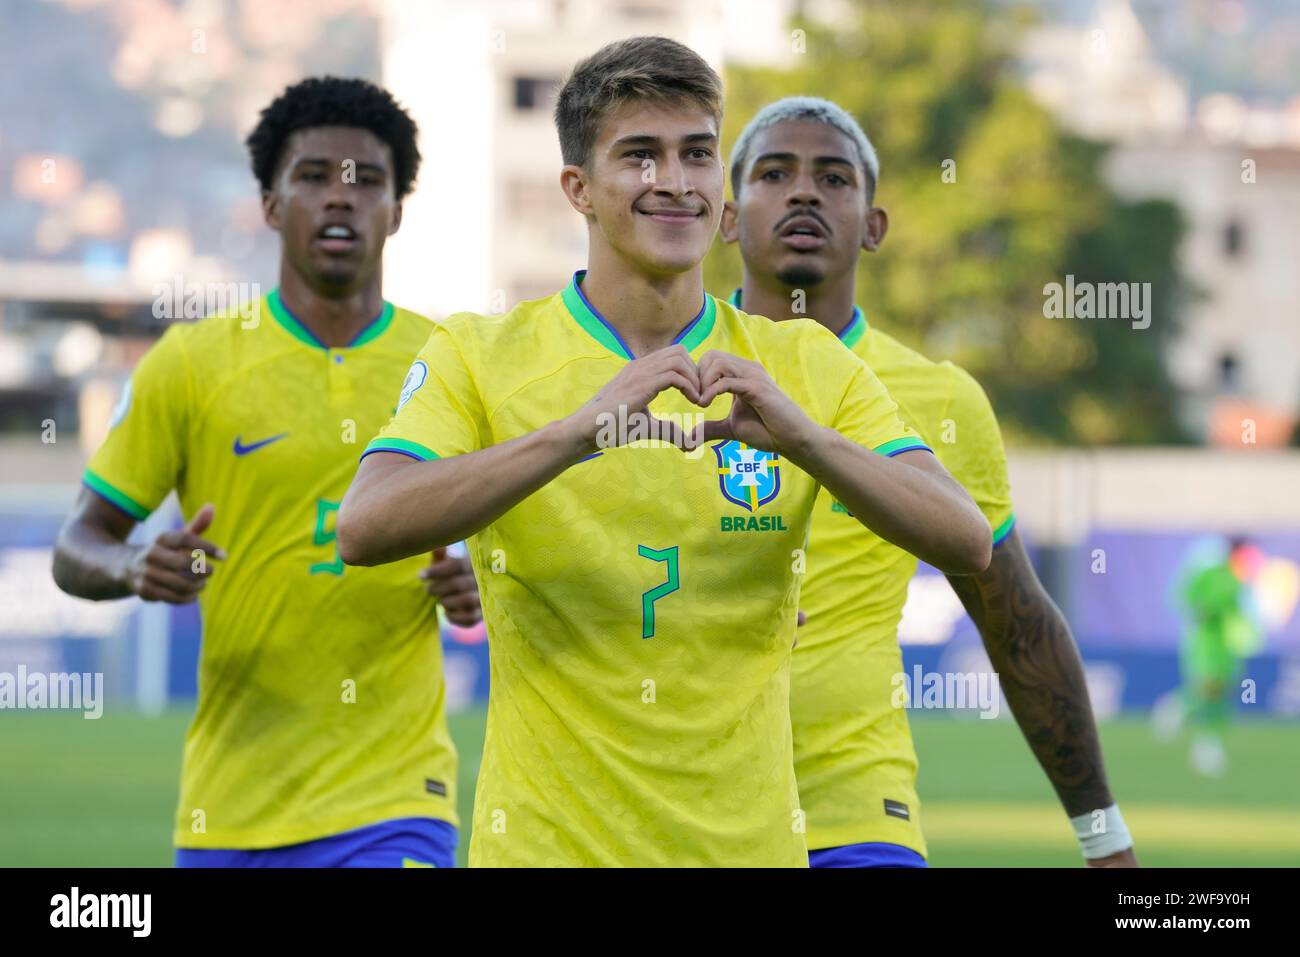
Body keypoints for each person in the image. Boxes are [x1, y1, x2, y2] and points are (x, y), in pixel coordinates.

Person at [337, 38, 991, 867]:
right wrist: (575, 432)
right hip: (544, 850)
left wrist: (807, 441)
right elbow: (365, 526)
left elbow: (965, 537)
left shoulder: (805, 366)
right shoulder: (478, 352)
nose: (674, 181)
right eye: (639, 156)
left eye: (697, 154)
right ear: (578, 187)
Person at [52, 77, 477, 867]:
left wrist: (487, 572)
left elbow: (524, 538)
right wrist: (132, 562)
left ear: (398, 210)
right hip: (233, 810)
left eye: (367, 182)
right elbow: (79, 541)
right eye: (314, 177)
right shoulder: (192, 363)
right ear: (272, 204)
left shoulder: (450, 362)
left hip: (395, 799)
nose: (340, 201)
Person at [722, 95, 1136, 867]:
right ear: (726, 216)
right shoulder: (674, 375)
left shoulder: (942, 399)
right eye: (774, 174)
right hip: (684, 809)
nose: (804, 191)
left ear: (874, 226)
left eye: (835, 178)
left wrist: (1105, 839)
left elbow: (1016, 626)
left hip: (857, 813)